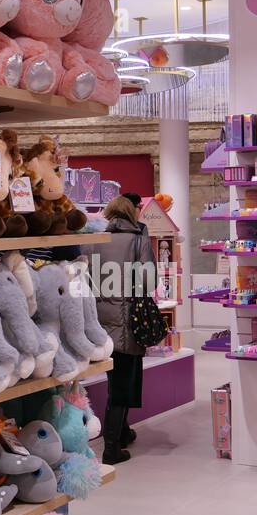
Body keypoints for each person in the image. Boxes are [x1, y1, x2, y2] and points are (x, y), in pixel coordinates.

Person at [92, 193, 156, 464]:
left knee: (116, 379)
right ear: (132, 212)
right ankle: (111, 448)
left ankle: (124, 431)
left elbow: (84, 279)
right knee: (122, 385)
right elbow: (148, 280)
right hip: (126, 319)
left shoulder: (95, 239)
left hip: (99, 321)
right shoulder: (138, 238)